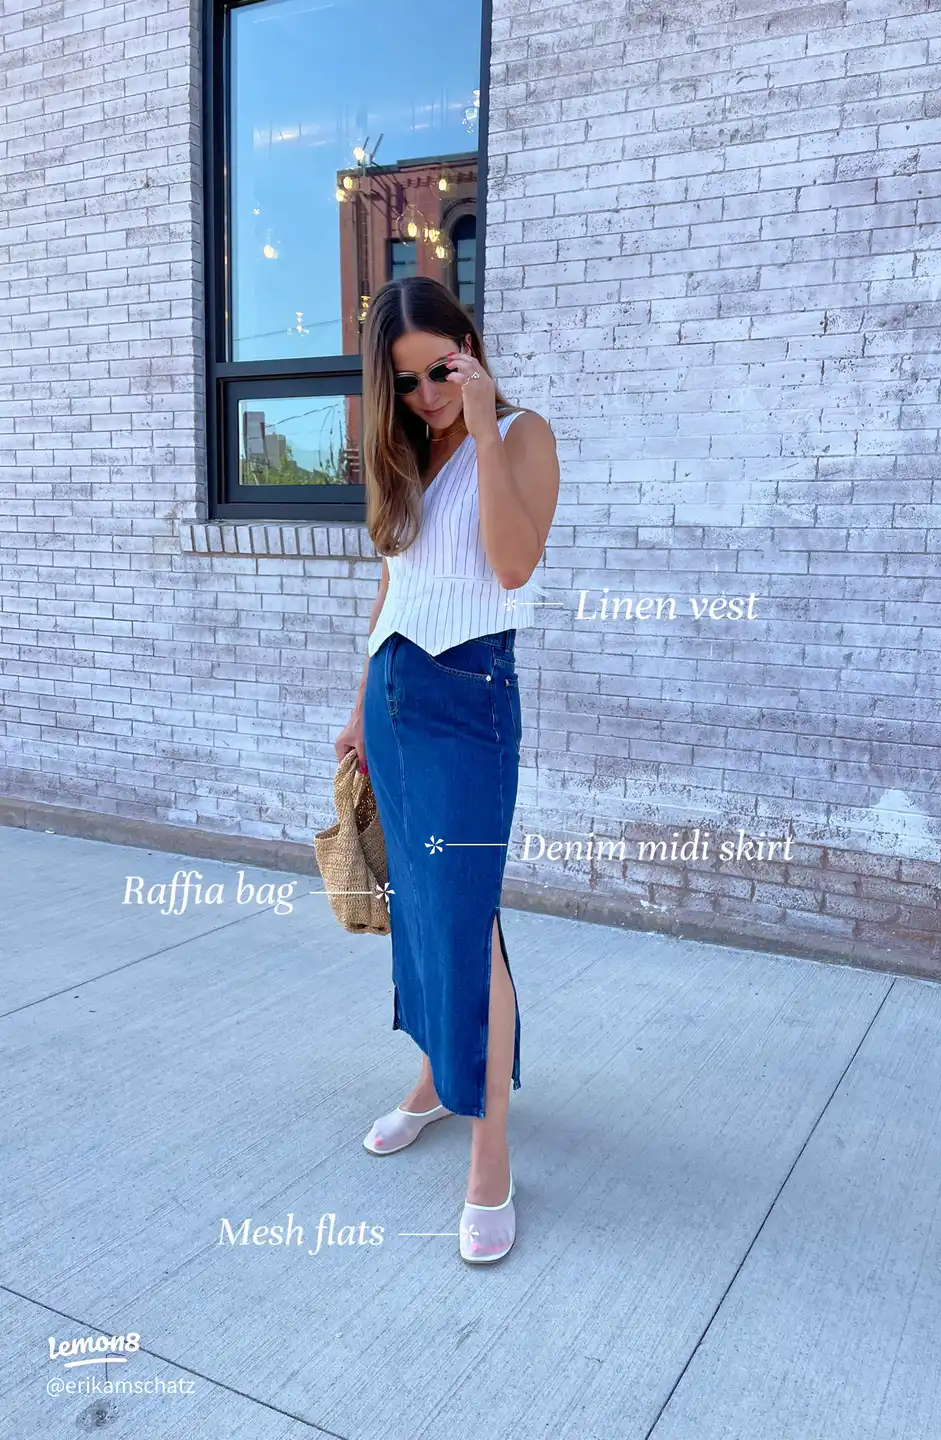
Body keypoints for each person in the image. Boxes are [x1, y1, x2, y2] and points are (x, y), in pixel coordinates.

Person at [334, 276, 559, 1264]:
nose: (427, 393)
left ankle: (492, 1146)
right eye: (407, 381)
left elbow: (511, 565)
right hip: (394, 697)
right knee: (421, 909)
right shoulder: (408, 452)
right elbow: (396, 578)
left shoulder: (522, 435)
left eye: (440, 368)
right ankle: (434, 1078)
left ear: (468, 344)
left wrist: (479, 417)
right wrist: (356, 709)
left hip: (471, 702)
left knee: (471, 916)